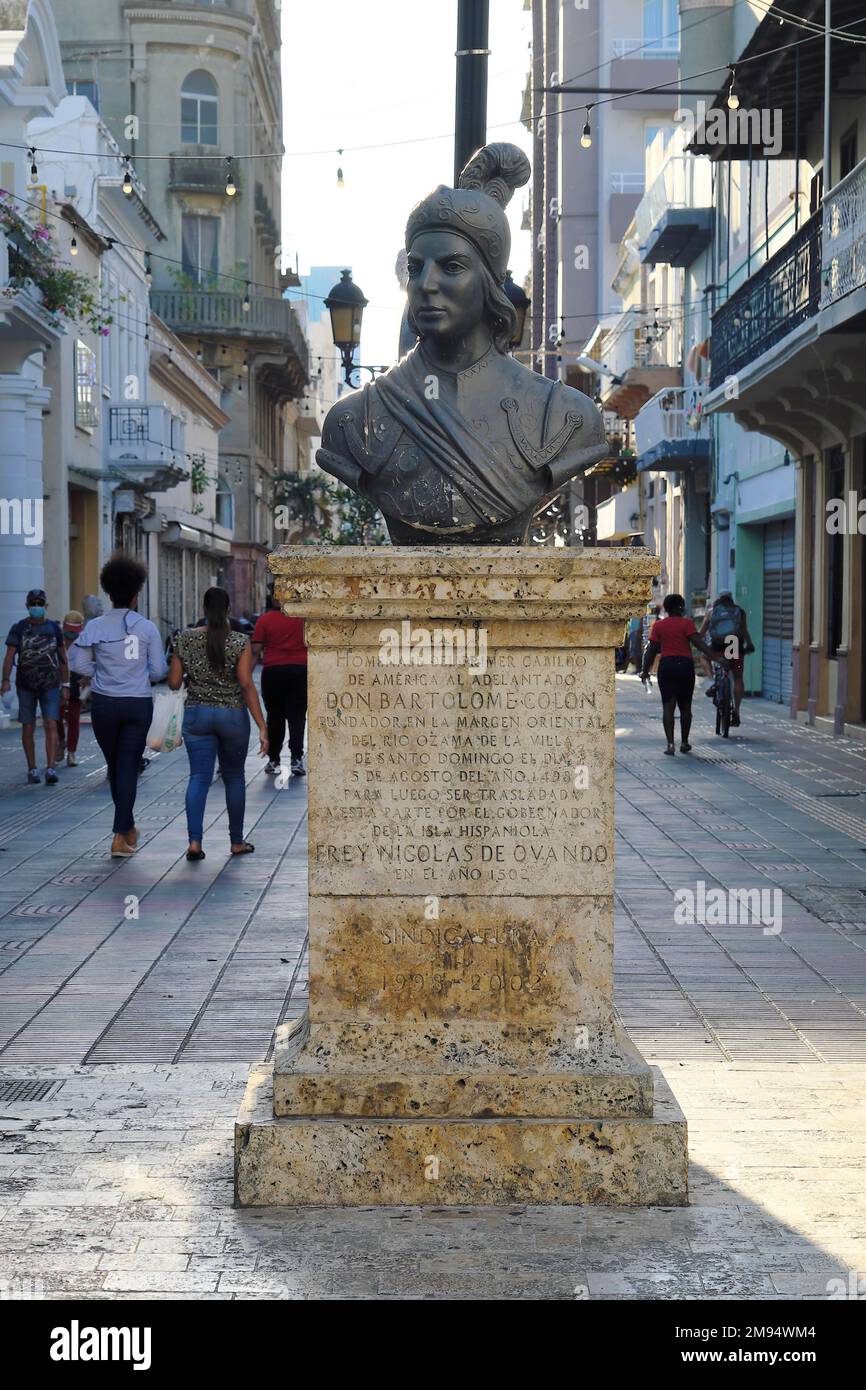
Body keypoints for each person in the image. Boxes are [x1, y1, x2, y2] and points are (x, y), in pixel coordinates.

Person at [68, 555, 167, 857]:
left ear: (109, 594)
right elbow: (159, 670)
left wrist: (101, 670)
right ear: (136, 594)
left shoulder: (95, 627)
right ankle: (122, 831)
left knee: (116, 766)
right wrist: (135, 673)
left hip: (104, 706)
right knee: (126, 767)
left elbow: (78, 662)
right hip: (137, 704)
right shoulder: (147, 628)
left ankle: (123, 831)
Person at [168, 586, 268, 861]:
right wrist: (262, 725)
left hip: (197, 714)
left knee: (198, 778)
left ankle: (195, 843)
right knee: (234, 777)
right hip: (232, 715)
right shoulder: (239, 641)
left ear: (203, 609)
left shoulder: (185, 639)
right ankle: (236, 842)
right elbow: (246, 684)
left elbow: (174, 682)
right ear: (228, 610)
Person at [640, 593, 728, 755]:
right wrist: (716, 657)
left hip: (666, 667)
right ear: (680, 607)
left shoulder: (659, 626)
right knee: (685, 707)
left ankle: (670, 744)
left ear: (666, 608)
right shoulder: (687, 624)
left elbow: (651, 650)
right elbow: (699, 644)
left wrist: (645, 671)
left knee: (668, 707)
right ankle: (685, 742)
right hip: (684, 667)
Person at [2, 588, 68, 785]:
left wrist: (66, 684)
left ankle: (50, 768)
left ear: (46, 606)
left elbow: (62, 658)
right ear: (27, 606)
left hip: (50, 685)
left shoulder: (55, 629)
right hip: (25, 686)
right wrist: (5, 680)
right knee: (28, 725)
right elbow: (9, 655)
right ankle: (32, 768)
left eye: (40, 603)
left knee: (50, 724)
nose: (37, 607)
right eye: (33, 604)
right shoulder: (18, 628)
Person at [252, 595, 308, 777]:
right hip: (300, 671)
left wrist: (245, 674)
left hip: (273, 672)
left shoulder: (264, 620)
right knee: (297, 717)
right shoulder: (304, 619)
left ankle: (274, 759)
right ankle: (296, 759)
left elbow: (255, 650)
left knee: (275, 717)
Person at [699, 591, 754, 727]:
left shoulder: (712, 612)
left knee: (703, 658)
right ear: (731, 599)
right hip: (733, 646)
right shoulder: (739, 612)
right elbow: (744, 630)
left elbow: (701, 632)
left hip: (717, 646)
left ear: (719, 599)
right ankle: (736, 711)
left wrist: (702, 644)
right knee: (738, 677)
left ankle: (712, 681)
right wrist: (750, 644)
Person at [57, 611, 86, 766]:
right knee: (56, 717)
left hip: (76, 680)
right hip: (58, 680)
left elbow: (90, 660)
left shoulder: (83, 641)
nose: (70, 635)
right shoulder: (57, 639)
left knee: (74, 719)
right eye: (68, 631)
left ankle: (72, 752)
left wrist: (86, 678)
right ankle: (61, 741)